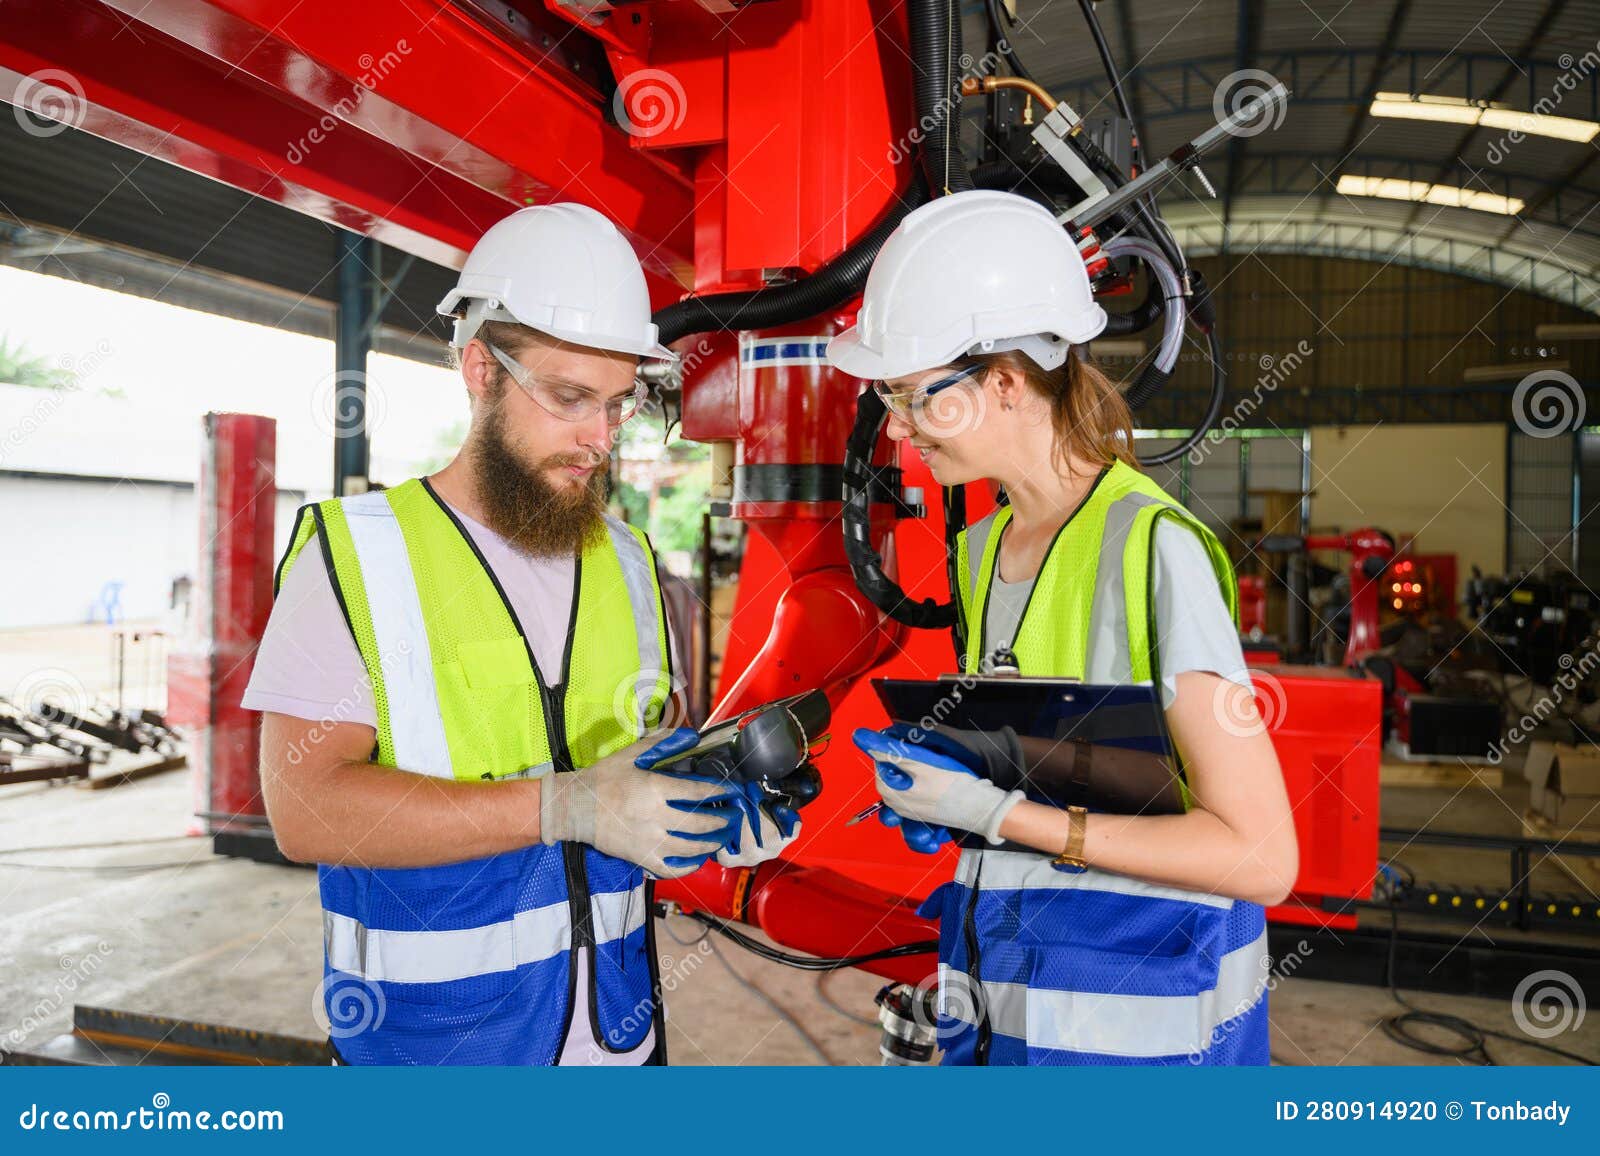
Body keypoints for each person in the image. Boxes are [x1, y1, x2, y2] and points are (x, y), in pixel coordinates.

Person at [245, 203, 794, 1066]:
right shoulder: (358, 557)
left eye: (619, 404)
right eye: (570, 398)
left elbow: (637, 781)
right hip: (439, 1057)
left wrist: (712, 814)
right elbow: (306, 809)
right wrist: (560, 807)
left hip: (618, 1039)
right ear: (479, 369)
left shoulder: (632, 563)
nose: (598, 439)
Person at [828, 190, 1298, 1066]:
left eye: (913, 396)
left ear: (1004, 382)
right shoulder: (979, 552)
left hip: (1143, 1032)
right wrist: (965, 801)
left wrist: (997, 815)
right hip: (1015, 994)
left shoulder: (1155, 549)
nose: (894, 428)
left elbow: (1261, 858)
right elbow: (1058, 758)